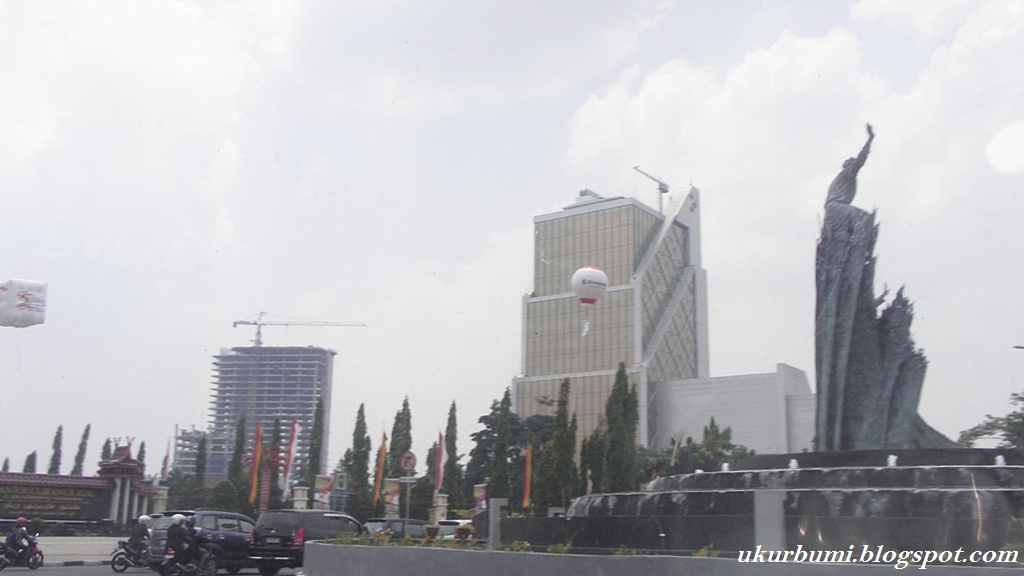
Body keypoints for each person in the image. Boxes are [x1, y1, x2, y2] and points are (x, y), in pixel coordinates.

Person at [825, 123, 874, 209]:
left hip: (832, 209)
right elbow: (861, 157)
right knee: (863, 217)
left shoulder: (840, 177)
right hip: (837, 207)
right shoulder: (847, 173)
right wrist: (870, 138)